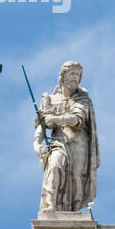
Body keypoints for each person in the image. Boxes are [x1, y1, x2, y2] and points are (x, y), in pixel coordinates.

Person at [36, 61, 99, 214]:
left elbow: (77, 119)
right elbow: (41, 126)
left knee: (77, 176)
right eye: (72, 73)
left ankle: (74, 211)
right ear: (63, 75)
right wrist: (37, 145)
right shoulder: (49, 99)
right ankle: (51, 206)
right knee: (55, 167)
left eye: (78, 75)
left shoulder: (82, 98)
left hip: (79, 141)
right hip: (58, 142)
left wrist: (55, 119)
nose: (75, 78)